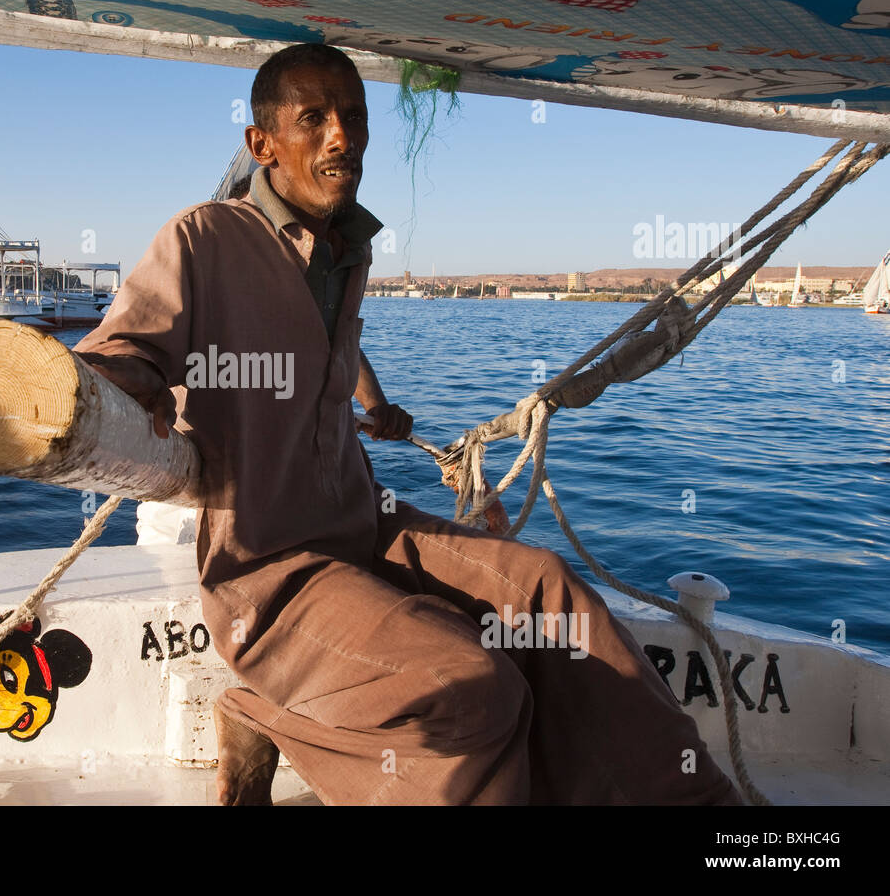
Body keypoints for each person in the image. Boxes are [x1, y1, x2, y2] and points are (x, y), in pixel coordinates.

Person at [74, 44, 741, 806]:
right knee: (471, 686)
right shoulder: (204, 239)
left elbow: (332, 347)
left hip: (366, 523)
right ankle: (267, 713)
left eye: (354, 117)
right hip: (269, 569)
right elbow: (116, 351)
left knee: (551, 595)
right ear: (262, 144)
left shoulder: (344, 248)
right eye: (314, 118)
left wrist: (372, 407)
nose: (342, 137)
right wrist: (132, 387)